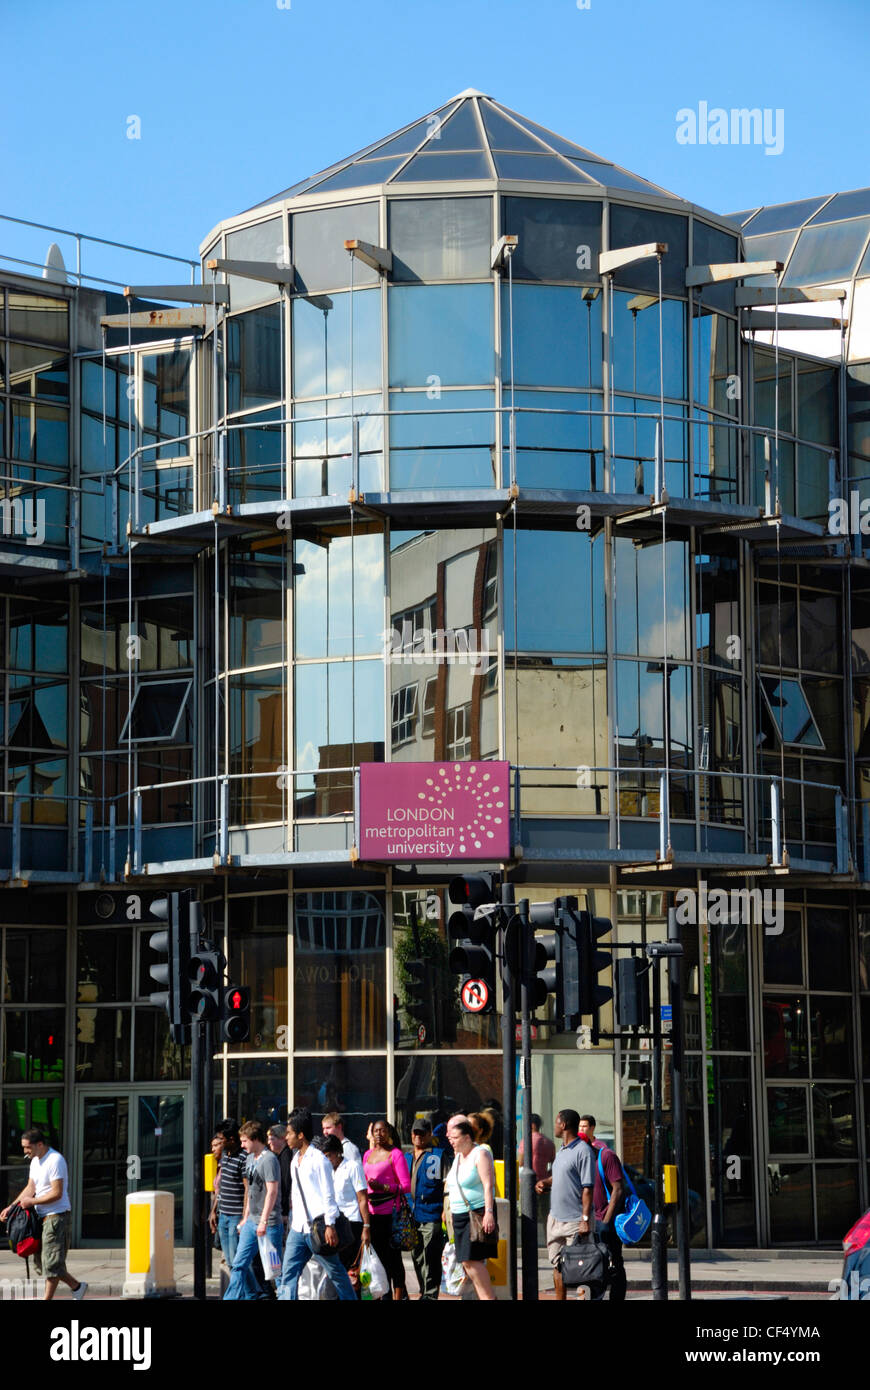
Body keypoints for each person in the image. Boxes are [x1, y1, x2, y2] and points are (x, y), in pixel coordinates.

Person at [279, 1107, 357, 1301]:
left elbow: (328, 1195)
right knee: (288, 1273)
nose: (285, 1137)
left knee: (336, 1271)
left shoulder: (319, 1160)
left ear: (300, 1134)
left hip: (319, 1227)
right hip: (298, 1229)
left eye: (289, 1133)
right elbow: (296, 1196)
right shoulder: (294, 1160)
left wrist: (330, 1225)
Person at [0, 1129, 86, 1301]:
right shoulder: (35, 1162)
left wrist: (32, 1202)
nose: (25, 1152)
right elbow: (30, 1188)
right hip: (41, 1218)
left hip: (57, 1217)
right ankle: (77, 1287)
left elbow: (57, 1193)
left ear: (40, 1144)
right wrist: (12, 1206)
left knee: (51, 1264)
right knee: (42, 1264)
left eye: (27, 1147)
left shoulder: (55, 1160)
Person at [535, 1108, 595, 1301]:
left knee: (581, 1267)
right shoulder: (561, 1150)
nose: (554, 1126)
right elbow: (561, 1176)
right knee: (558, 1266)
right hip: (555, 1220)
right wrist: (546, 1182)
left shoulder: (583, 1151)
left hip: (575, 1221)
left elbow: (588, 1188)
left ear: (563, 1124)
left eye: (556, 1122)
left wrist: (585, 1219)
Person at [223, 1120, 284, 1300]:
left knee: (275, 1269)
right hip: (252, 1221)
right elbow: (250, 1190)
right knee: (239, 1263)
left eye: (244, 1141)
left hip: (270, 1223)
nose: (242, 1145)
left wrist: (264, 1221)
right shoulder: (249, 1159)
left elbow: (272, 1192)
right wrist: (245, 1218)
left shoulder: (269, 1159)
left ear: (255, 1139)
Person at [443, 1118, 497, 1301]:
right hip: (458, 1216)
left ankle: (488, 1298)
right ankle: (484, 1297)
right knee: (466, 1261)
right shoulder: (458, 1156)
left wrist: (489, 1213)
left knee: (472, 1260)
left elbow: (488, 1185)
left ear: (467, 1137)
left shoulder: (480, 1154)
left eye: (455, 1137)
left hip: (475, 1214)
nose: (451, 1141)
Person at [578, 1114, 627, 1302]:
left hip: (607, 1220)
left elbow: (618, 1188)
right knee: (589, 1265)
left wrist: (607, 1220)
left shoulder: (606, 1155)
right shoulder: (582, 1160)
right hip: (590, 1221)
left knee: (614, 1263)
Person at [363, 1117, 412, 1300]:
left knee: (393, 1260)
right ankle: (384, 1295)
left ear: (389, 1133)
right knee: (378, 1260)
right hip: (372, 1213)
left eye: (383, 1130)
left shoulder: (396, 1154)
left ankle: (399, 1295)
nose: (379, 1134)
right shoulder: (368, 1155)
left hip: (391, 1213)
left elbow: (406, 1186)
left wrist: (383, 1187)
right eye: (376, 1131)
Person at [209, 1120, 257, 1295]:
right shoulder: (226, 1156)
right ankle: (248, 1293)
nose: (219, 1143)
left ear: (231, 1139)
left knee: (239, 1261)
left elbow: (247, 1189)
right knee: (230, 1261)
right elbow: (221, 1188)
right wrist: (214, 1210)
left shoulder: (243, 1158)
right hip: (224, 1215)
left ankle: (251, 1294)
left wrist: (245, 1216)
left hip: (236, 1215)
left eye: (222, 1139)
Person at [405, 1118, 450, 1301]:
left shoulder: (439, 1155)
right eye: (416, 1132)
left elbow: (448, 1184)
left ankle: (430, 1295)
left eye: (422, 1133)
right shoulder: (406, 1156)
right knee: (416, 1255)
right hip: (410, 1215)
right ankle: (425, 1291)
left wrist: (446, 1209)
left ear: (430, 1134)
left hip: (432, 1212)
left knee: (431, 1255)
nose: (418, 1136)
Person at [321, 1133, 371, 1290]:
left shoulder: (352, 1167)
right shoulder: (326, 1170)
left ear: (338, 1152)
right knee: (336, 1270)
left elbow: (362, 1198)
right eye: (325, 1156)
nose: (328, 1160)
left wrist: (366, 1227)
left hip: (352, 1224)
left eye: (329, 1155)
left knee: (352, 1271)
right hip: (334, 1224)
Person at [267, 1124, 293, 1234]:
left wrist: (284, 1211)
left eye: (272, 1139)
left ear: (282, 1139)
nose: (269, 1142)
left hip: (284, 1210)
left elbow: (285, 1184)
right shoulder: (279, 1156)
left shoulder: (286, 1156)